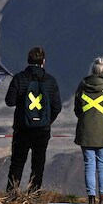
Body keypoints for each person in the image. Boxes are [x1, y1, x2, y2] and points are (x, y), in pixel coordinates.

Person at [5, 46, 61, 193]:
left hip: (22, 128)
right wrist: (46, 121)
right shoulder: (50, 81)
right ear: (43, 61)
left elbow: (9, 101)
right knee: (38, 164)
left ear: (28, 60)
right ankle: (34, 195)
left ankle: (11, 194)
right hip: (42, 130)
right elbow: (57, 107)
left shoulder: (19, 78)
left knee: (17, 163)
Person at [73, 56, 103, 204]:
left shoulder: (82, 85)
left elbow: (77, 108)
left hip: (86, 132)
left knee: (89, 165)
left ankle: (91, 200)